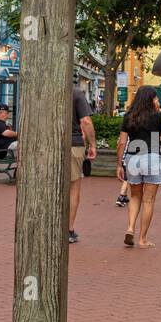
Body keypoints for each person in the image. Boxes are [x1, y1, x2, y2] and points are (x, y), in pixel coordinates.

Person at [116, 85, 161, 248]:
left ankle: (130, 228)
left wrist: (119, 164)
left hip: (132, 158)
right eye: (155, 98)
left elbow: (122, 142)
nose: (157, 100)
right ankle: (142, 239)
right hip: (151, 157)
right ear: (151, 99)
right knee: (148, 200)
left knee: (135, 196)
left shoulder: (129, 116)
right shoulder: (156, 116)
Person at [69, 87, 96, 243]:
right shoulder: (76, 93)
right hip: (73, 144)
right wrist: (92, 144)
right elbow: (85, 121)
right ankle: (69, 229)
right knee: (73, 187)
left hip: (47, 145)